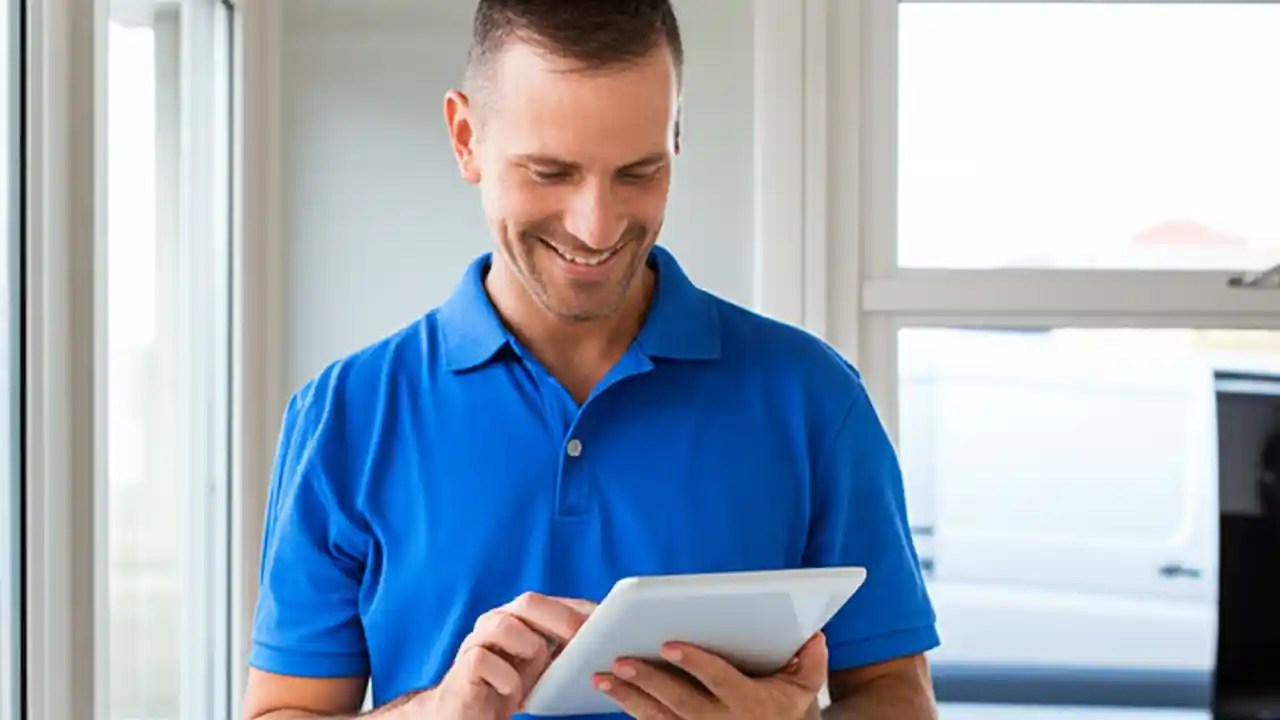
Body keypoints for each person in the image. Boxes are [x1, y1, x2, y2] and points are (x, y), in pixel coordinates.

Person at [241, 1, 939, 718]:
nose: (595, 226)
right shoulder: (347, 415)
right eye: (550, 172)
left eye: (638, 172)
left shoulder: (815, 401)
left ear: (675, 138)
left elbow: (900, 698)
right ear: (465, 138)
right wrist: (438, 710)